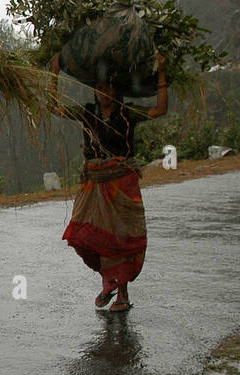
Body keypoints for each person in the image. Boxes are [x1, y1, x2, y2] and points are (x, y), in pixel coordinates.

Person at [50, 52, 168, 312]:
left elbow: (160, 109)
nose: (103, 92)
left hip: (122, 183)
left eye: (108, 87)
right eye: (99, 88)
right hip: (94, 182)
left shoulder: (128, 114)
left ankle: (122, 293)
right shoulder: (86, 113)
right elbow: (53, 107)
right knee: (90, 236)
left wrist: (161, 72)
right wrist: (54, 73)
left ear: (116, 91)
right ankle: (110, 283)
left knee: (120, 240)